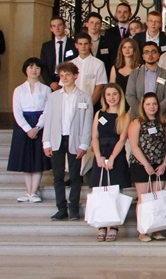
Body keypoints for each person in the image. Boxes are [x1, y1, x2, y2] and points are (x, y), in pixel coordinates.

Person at [41, 62, 91, 221]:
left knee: (75, 176)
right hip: (57, 138)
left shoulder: (84, 96)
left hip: (74, 139)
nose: (65, 78)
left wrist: (84, 143)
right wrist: (46, 142)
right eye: (62, 76)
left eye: (67, 75)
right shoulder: (54, 96)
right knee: (58, 176)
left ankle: (74, 208)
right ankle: (61, 208)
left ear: (75, 75)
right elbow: (48, 119)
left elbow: (87, 122)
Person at [128, 91, 166, 241]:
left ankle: (156, 229)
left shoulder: (164, 122)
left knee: (158, 197)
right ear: (143, 106)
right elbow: (134, 146)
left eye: (154, 103)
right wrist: (146, 165)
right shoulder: (136, 122)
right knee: (144, 199)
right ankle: (143, 230)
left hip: (159, 165)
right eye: (148, 104)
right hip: (141, 164)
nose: (152, 106)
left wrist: (164, 163)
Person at [89, 84, 131, 240]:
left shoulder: (124, 116)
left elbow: (122, 139)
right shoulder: (99, 113)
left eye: (115, 94)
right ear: (104, 97)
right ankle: (102, 223)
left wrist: (112, 158)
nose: (112, 97)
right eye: (108, 94)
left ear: (119, 96)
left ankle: (113, 224)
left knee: (115, 190)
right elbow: (94, 136)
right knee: (100, 188)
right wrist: (98, 156)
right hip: (100, 153)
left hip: (116, 154)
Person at [9, 58, 51, 203]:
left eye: (37, 68)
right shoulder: (19, 90)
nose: (34, 70)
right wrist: (28, 129)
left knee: (38, 158)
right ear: (26, 69)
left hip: (40, 123)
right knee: (25, 159)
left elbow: (48, 110)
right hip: (23, 125)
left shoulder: (46, 89)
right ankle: (28, 191)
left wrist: (38, 127)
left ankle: (34, 192)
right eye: (31, 67)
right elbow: (17, 112)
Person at [125, 41, 166, 116]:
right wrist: (142, 111)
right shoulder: (134, 74)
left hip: (160, 116)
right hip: (138, 116)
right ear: (143, 56)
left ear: (158, 55)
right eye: (146, 52)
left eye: (153, 52)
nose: (150, 54)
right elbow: (130, 95)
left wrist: (155, 110)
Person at [67, 31, 108, 107]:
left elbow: (99, 87)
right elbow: (65, 85)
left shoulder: (98, 64)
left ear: (90, 45)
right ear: (76, 45)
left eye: (86, 44)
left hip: (91, 105)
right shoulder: (70, 64)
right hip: (72, 104)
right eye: (80, 44)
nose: (83, 46)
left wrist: (89, 105)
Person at [40, 16, 77, 89]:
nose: (57, 28)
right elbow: (43, 66)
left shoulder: (73, 44)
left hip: (69, 81)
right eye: (54, 26)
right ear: (51, 29)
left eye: (59, 25)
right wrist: (50, 83)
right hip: (52, 82)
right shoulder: (46, 46)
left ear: (65, 26)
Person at [98, 2, 133, 71]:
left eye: (125, 12)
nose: (122, 14)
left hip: (131, 68)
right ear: (116, 14)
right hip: (113, 68)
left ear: (130, 14)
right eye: (119, 12)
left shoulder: (134, 31)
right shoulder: (109, 32)